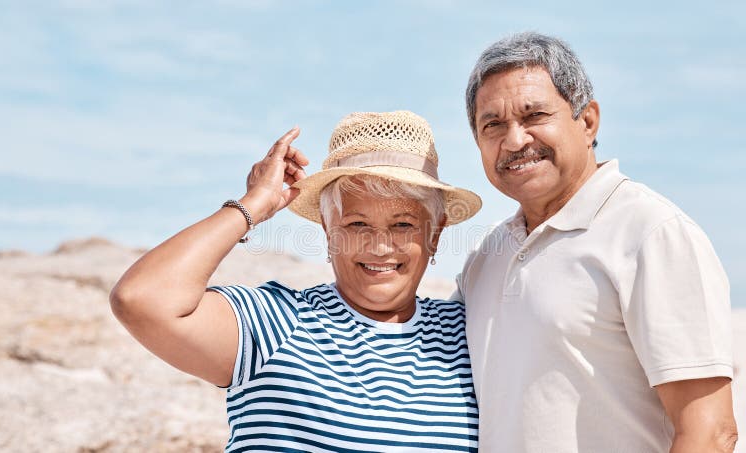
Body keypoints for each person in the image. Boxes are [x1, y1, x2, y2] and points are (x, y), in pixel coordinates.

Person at [110, 110, 482, 452]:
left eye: (403, 224)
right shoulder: (279, 321)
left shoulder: (468, 335)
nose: (380, 245)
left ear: (434, 234)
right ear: (328, 231)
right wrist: (254, 204)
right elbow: (140, 298)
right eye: (356, 224)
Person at [455, 32, 738, 452]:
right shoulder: (485, 258)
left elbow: (710, 432)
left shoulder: (651, 232)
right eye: (493, 124)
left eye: (534, 115)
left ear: (587, 122)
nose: (514, 140)